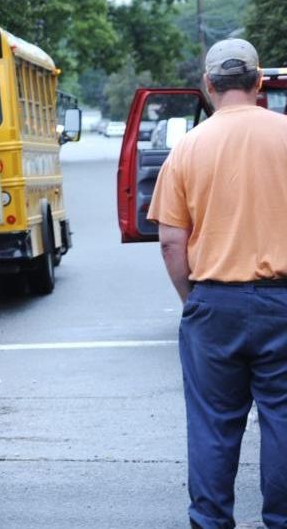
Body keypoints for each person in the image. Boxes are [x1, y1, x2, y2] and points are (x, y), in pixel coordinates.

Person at [148, 38, 287, 529]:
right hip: (282, 301)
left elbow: (170, 240)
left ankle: (210, 522)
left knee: (213, 426)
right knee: (284, 419)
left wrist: (195, 300)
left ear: (207, 86)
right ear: (259, 82)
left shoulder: (187, 147)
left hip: (213, 302)